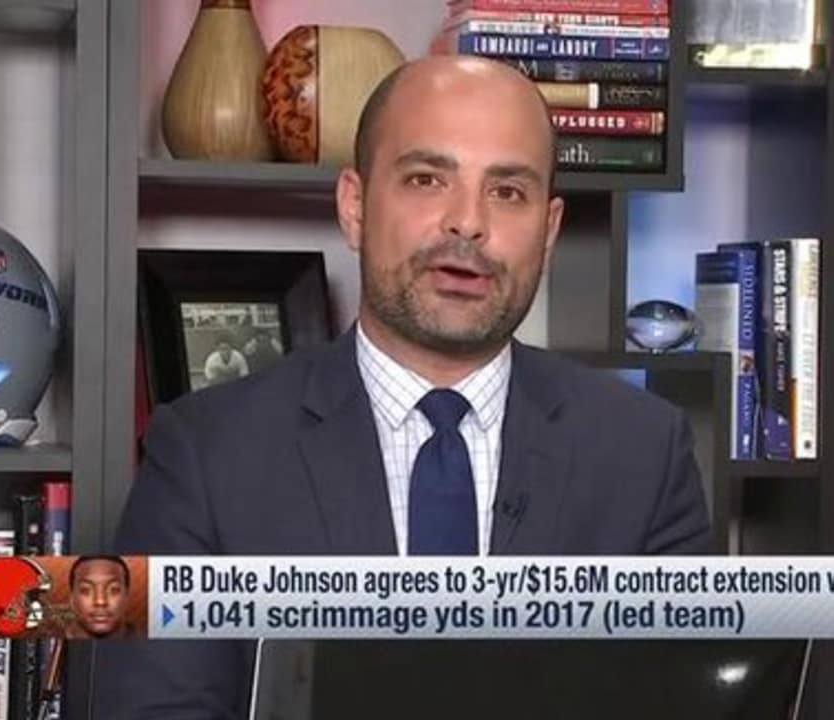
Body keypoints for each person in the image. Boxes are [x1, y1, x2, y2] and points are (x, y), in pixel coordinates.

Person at [95, 55, 711, 718]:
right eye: (426, 179)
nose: (467, 222)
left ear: (549, 229)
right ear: (355, 207)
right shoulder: (205, 454)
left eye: (508, 191)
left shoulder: (644, 452)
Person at [64, 555, 136, 640]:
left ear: (126, 597)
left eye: (113, 590)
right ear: (72, 599)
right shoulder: (54, 643)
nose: (100, 601)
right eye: (86, 590)